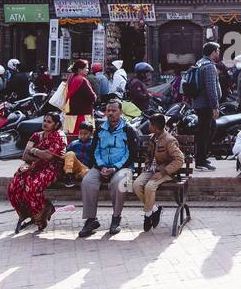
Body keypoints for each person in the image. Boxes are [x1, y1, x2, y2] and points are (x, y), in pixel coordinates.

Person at [79, 99, 139, 237]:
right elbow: (94, 151)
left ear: (121, 112)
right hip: (102, 167)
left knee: (120, 183)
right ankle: (91, 220)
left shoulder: (128, 129)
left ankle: (116, 218)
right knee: (87, 181)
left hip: (124, 168)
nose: (110, 113)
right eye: (108, 110)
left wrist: (115, 168)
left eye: (114, 110)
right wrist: (101, 166)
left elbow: (132, 154)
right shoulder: (100, 129)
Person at [6, 111, 65, 233]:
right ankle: (28, 213)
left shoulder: (59, 136)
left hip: (51, 168)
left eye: (49, 122)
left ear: (56, 124)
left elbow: (49, 157)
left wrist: (33, 150)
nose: (45, 124)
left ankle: (41, 214)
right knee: (13, 186)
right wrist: (38, 154)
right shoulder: (36, 136)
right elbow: (25, 156)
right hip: (32, 166)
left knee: (32, 186)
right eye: (44, 121)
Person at [134, 113, 185, 230]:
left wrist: (163, 172)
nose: (148, 127)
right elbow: (148, 155)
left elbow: (179, 159)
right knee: (136, 185)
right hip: (151, 171)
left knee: (149, 187)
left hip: (165, 172)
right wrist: (147, 165)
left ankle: (147, 215)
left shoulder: (169, 140)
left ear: (155, 127)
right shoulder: (153, 138)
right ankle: (155, 210)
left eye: (150, 125)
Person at [190, 42, 223, 171]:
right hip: (205, 105)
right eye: (218, 50)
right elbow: (211, 88)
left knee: (210, 128)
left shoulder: (200, 62)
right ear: (213, 52)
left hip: (199, 103)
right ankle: (200, 161)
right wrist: (215, 107)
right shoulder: (209, 66)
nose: (219, 53)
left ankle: (202, 156)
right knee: (204, 132)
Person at [61, 59, 97, 134]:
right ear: (80, 69)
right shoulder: (83, 80)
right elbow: (92, 97)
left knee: (71, 137)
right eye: (86, 68)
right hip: (82, 115)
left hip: (70, 114)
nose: (88, 70)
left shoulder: (71, 78)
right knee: (83, 138)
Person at [61, 121, 95, 186]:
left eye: (85, 133)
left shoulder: (93, 144)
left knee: (88, 173)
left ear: (91, 134)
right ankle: (68, 175)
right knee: (70, 153)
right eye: (80, 133)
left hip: (85, 168)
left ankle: (74, 177)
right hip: (73, 167)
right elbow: (67, 155)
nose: (82, 136)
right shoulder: (74, 143)